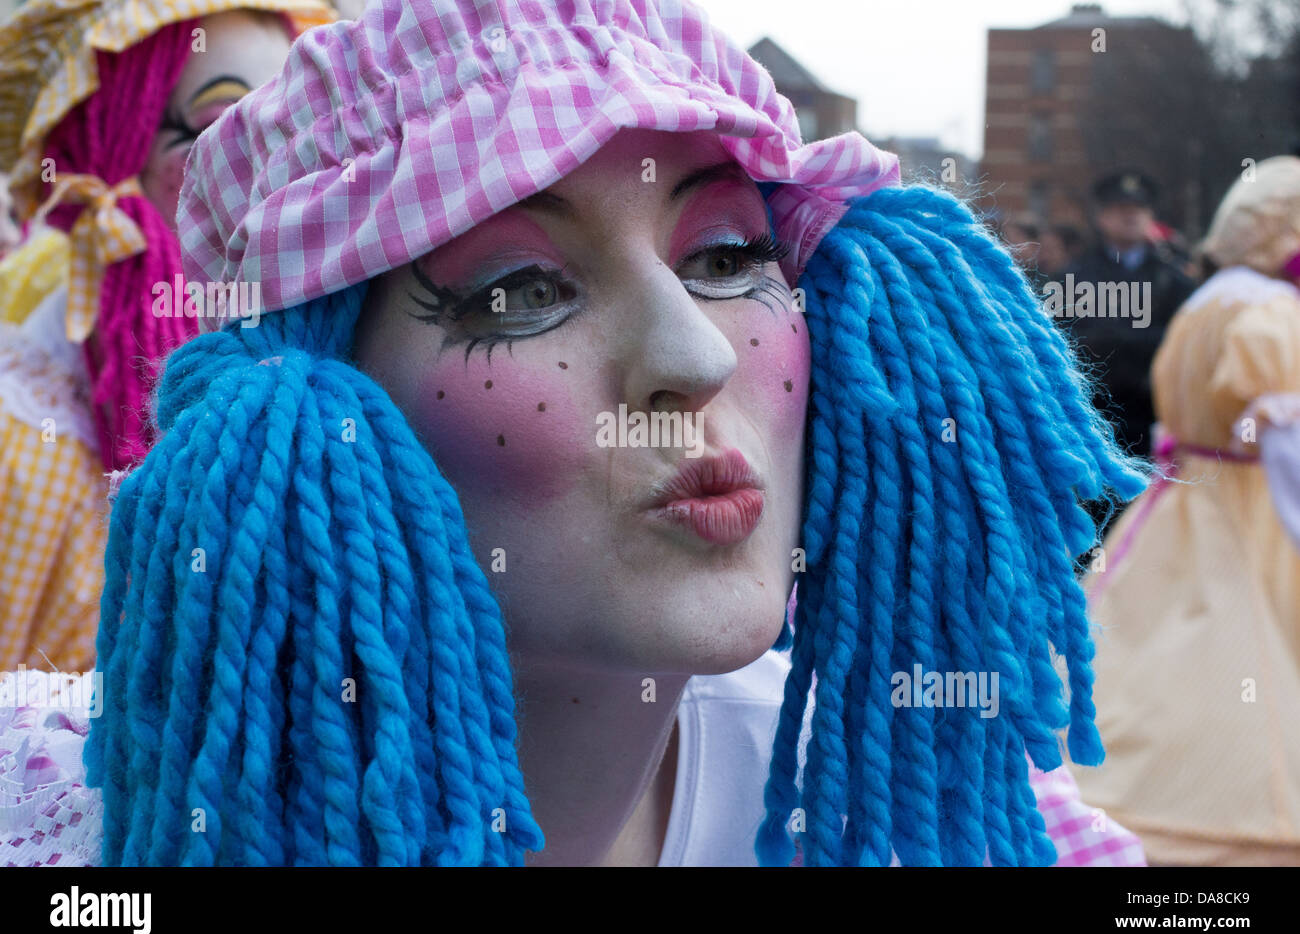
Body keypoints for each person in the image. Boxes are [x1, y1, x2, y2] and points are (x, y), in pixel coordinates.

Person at [3, 0, 1149, 867]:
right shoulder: (46, 819)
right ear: (302, 423)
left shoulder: (945, 824)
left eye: (726, 257)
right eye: (516, 292)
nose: (696, 357)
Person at [0, 0, 335, 672]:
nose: (276, 165)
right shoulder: (23, 441)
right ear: (115, 145)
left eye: (292, 123)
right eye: (225, 127)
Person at [1071, 156, 1300, 866]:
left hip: (1183, 498)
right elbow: (1284, 438)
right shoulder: (1269, 314)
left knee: (1152, 650)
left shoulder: (1202, 299)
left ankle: (1112, 786)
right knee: (1242, 650)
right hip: (1248, 504)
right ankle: (1224, 807)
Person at [1058, 170, 1196, 458]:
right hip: (1093, 412)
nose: (1131, 216)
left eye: (1139, 209)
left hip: (1154, 412)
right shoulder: (1073, 277)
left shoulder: (1173, 279)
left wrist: (1118, 339)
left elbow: (1187, 341)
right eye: (1121, 209)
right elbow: (1060, 339)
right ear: (1101, 217)